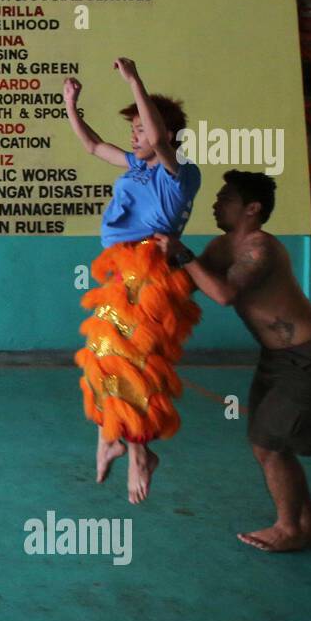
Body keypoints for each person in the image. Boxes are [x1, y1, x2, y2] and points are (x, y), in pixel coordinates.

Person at [154, 171, 311, 552]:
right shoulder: (223, 247)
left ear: (252, 209)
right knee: (268, 445)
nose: (216, 203)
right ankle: (310, 526)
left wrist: (183, 253)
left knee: (271, 445)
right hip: (276, 359)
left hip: (310, 359)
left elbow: (223, 294)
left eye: (226, 198)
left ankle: (289, 529)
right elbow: (188, 284)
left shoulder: (261, 249)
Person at [62, 59, 202, 504]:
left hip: (149, 274)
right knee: (99, 358)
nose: (135, 136)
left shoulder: (177, 174)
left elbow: (160, 139)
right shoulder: (136, 168)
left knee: (131, 362)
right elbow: (91, 146)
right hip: (122, 272)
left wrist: (135, 80)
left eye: (140, 129)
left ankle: (140, 453)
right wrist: (72, 105)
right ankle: (113, 437)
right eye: (134, 130)